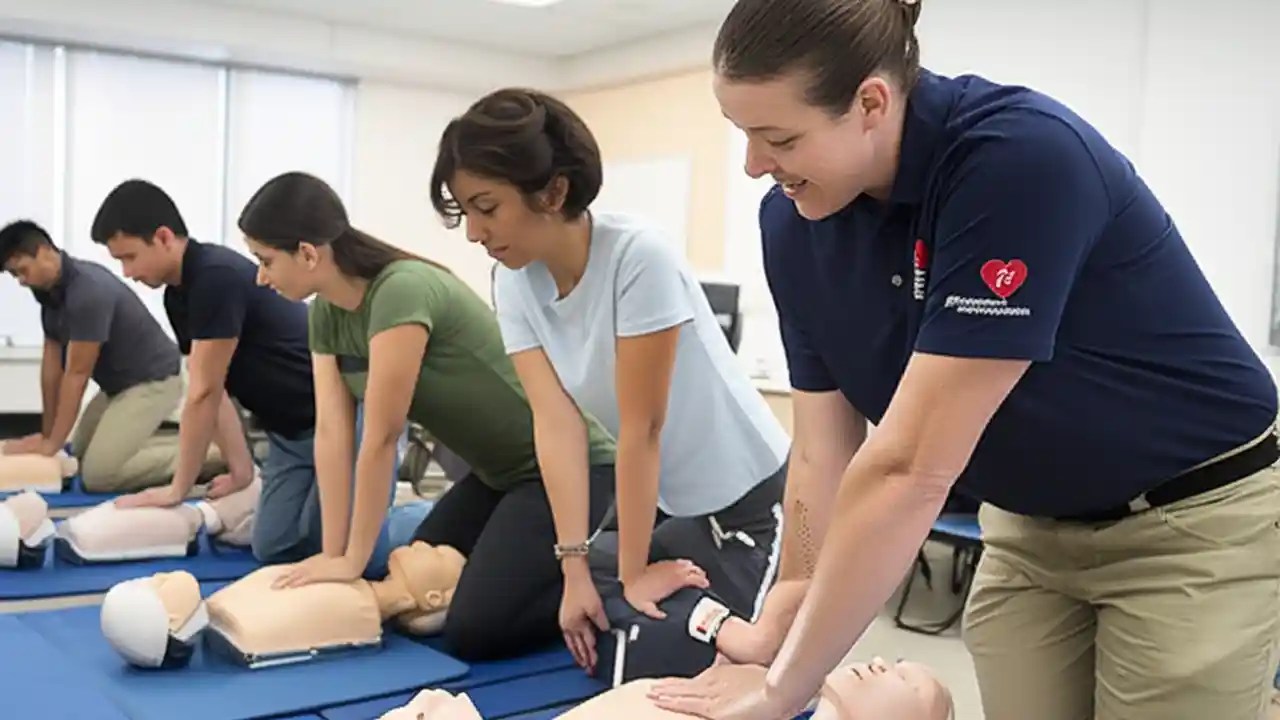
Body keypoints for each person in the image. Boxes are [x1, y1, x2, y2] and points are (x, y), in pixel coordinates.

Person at [649, 1, 1280, 719]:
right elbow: (823, 454)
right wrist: (787, 602)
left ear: (870, 103)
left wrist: (784, 689)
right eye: (744, 135)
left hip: (1190, 516)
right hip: (1029, 526)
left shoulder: (1019, 159)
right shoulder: (793, 224)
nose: (756, 166)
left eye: (779, 138)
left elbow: (908, 465)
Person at [431, 88, 791, 679]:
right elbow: (556, 426)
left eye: (486, 207)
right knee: (562, 594)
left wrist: (631, 575)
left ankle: (725, 625)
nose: (474, 231)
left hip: (755, 508)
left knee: (691, 678)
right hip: (681, 516)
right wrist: (575, 570)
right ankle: (679, 608)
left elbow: (643, 429)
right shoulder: (515, 283)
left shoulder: (637, 257)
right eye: (464, 211)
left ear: (552, 192)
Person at [237, 171, 619, 661]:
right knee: (416, 591)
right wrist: (334, 557)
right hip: (500, 476)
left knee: (474, 631)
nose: (260, 277)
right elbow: (333, 436)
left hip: (569, 467)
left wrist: (354, 559)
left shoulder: (402, 290)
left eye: (265, 260)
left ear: (309, 254)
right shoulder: (327, 315)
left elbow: (381, 436)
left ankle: (613, 575)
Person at [88, 179, 402, 575]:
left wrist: (177, 488)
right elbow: (213, 391)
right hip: (289, 435)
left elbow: (201, 393)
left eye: (130, 257)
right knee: (274, 547)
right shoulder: (177, 297)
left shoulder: (214, 275)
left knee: (354, 557)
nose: (127, 272)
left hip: (341, 421)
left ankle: (420, 519)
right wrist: (239, 471)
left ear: (164, 237)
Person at [0, 220, 224, 492]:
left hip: (154, 381)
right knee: (79, 454)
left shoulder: (86, 292)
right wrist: (48, 435)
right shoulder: (49, 292)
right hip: (118, 386)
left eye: (22, 271)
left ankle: (214, 452)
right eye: (14, 276)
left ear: (44, 250)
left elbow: (77, 375)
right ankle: (173, 436)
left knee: (99, 476)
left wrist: (51, 444)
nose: (22, 281)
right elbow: (52, 369)